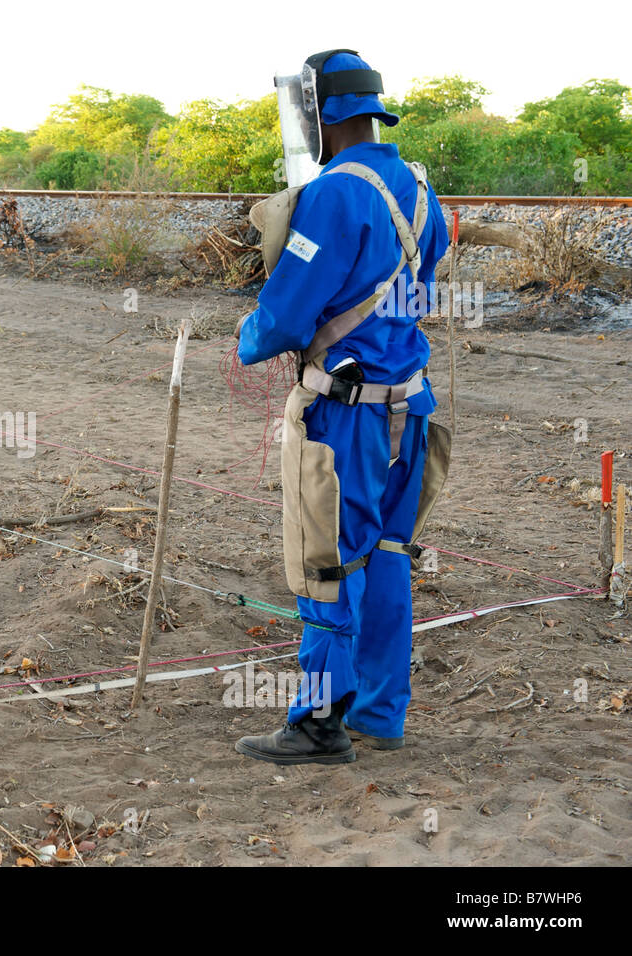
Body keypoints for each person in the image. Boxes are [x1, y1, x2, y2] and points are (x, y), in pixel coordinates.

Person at [234, 50, 451, 765]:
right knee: (387, 555)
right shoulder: (419, 190)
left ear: (320, 115)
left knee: (327, 566)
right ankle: (380, 713)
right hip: (410, 409)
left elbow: (286, 319)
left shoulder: (331, 193)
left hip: (346, 418)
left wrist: (247, 336)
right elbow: (418, 281)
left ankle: (319, 724)